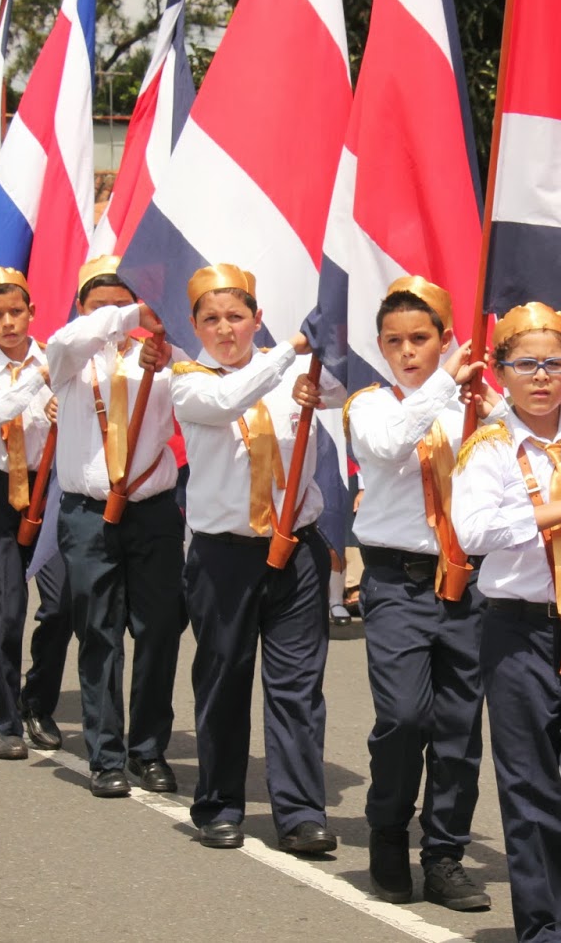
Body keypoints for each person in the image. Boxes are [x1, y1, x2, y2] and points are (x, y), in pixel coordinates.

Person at [451, 302, 561, 943]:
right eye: (524, 363)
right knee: (529, 789)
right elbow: (472, 530)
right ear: (500, 371)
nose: (539, 376)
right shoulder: (489, 448)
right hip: (519, 630)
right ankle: (551, 928)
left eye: (553, 363)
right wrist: (556, 511)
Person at [171, 263, 342, 854]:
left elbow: (352, 391)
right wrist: (289, 352)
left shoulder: (295, 370)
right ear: (194, 324)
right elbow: (225, 402)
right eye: (212, 319)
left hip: (296, 549)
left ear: (255, 319)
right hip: (225, 557)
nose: (225, 329)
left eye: (236, 317)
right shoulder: (188, 380)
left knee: (297, 687)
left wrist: (323, 365)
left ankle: (299, 813)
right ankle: (218, 803)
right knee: (224, 680)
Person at [346, 276, 494, 909]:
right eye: (395, 341)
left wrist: (489, 409)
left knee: (460, 726)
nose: (408, 351)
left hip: (471, 582)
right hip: (398, 580)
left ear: (446, 338)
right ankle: (387, 829)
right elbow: (387, 445)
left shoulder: (474, 404)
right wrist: (442, 387)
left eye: (421, 338)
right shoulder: (371, 405)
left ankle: (445, 854)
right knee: (405, 716)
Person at [46, 255, 184, 799]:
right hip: (88, 514)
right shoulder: (69, 361)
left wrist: (162, 345)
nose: (113, 316)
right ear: (81, 310)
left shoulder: (162, 358)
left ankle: (148, 749)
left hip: (152, 511)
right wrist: (128, 316)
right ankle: (105, 754)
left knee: (158, 633)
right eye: (99, 305)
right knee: (98, 633)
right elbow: (68, 342)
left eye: (122, 302)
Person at [0, 267, 71, 760]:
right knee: (2, 612)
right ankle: (4, 721)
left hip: (49, 489)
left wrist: (60, 411)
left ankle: (37, 702)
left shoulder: (54, 360)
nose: (8, 323)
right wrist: (36, 385)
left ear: (32, 312)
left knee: (64, 604)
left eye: (17, 312)